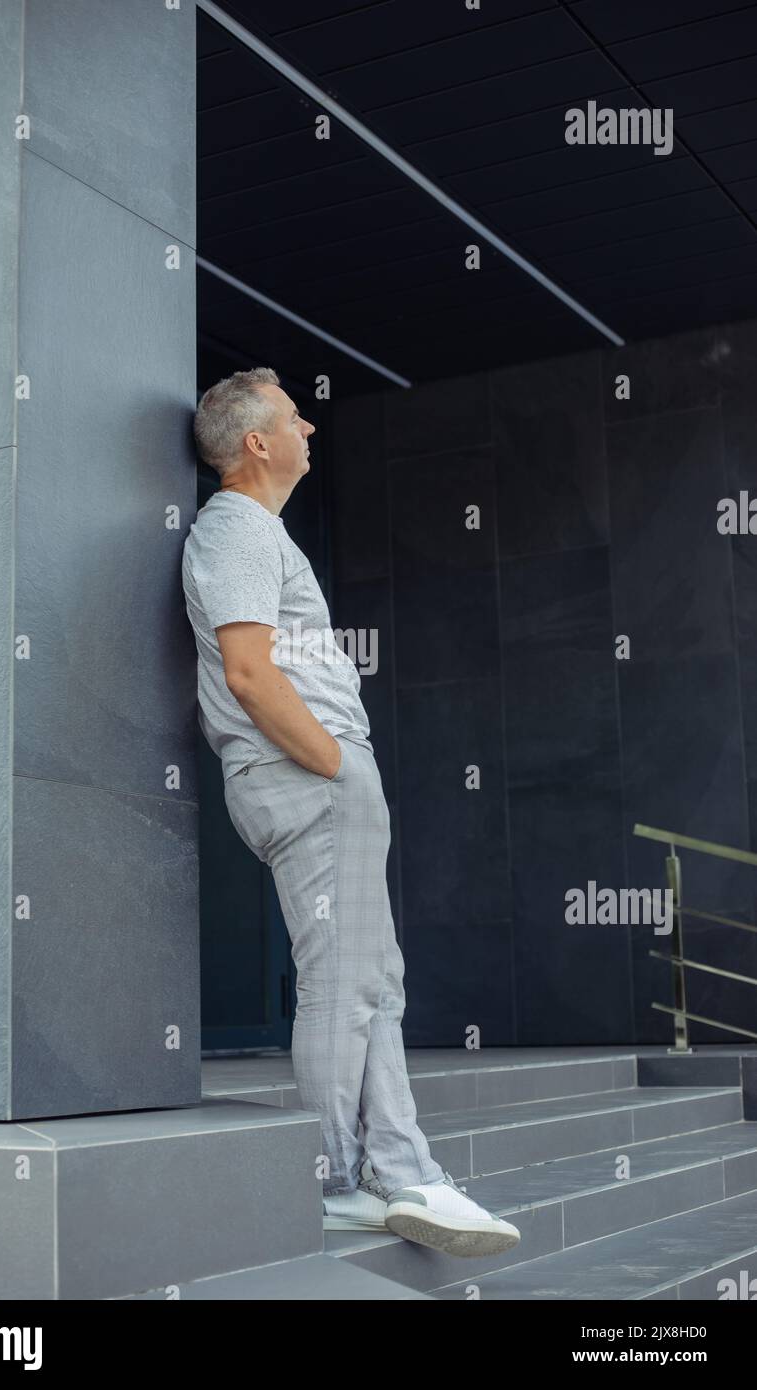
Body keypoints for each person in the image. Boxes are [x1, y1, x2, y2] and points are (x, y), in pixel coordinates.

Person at [182, 367, 520, 1260]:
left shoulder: (256, 533)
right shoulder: (239, 528)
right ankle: (362, 1176)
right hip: (308, 778)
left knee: (373, 980)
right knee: (345, 980)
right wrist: (335, 763)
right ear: (258, 443)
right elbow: (249, 672)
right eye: (296, 418)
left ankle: (381, 1176)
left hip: (317, 780)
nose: (311, 431)